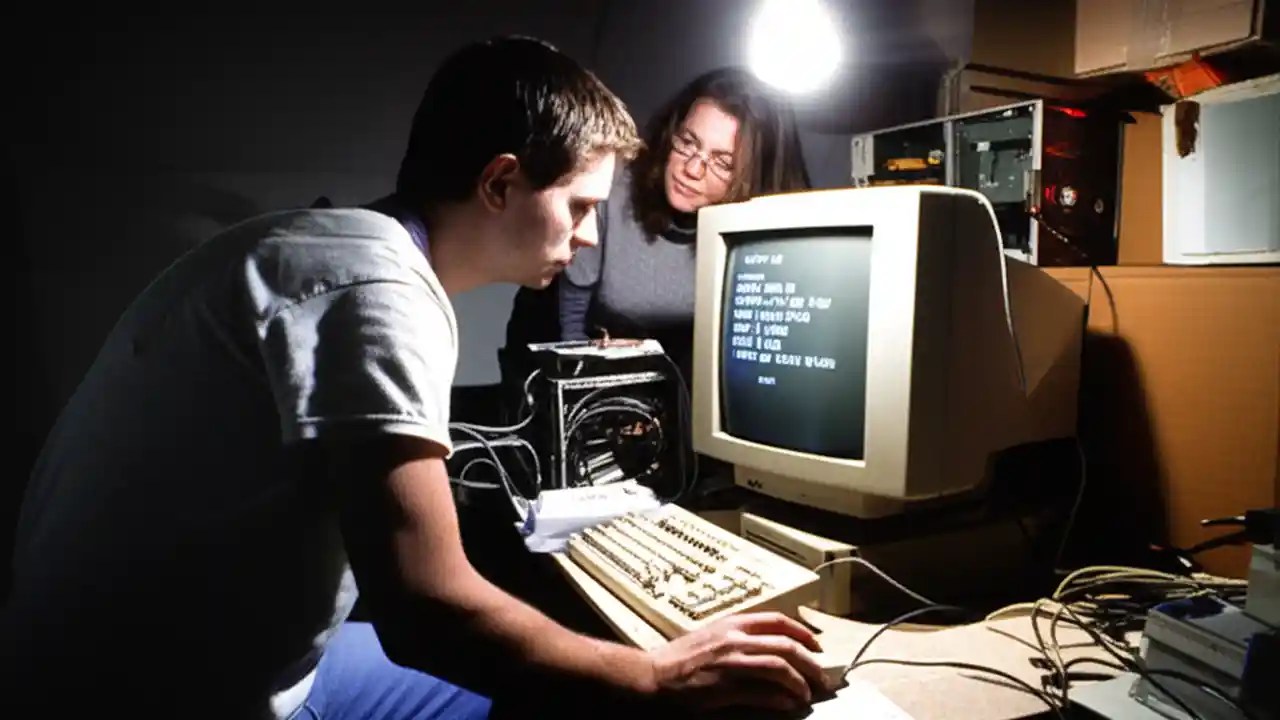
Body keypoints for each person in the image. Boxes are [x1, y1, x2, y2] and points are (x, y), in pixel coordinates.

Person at [2, 36, 833, 718]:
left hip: (173, 657)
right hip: (154, 695)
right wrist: (658, 677)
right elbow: (427, 611)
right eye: (578, 206)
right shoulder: (378, 293)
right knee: (576, 693)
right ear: (501, 182)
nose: (587, 238)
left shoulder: (345, 247)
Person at [500, 67, 812, 393]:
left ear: (755, 176)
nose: (692, 169)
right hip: (569, 358)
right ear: (671, 131)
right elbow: (570, 327)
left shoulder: (769, 238)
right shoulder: (612, 186)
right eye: (688, 142)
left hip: (674, 383)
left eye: (722, 163)